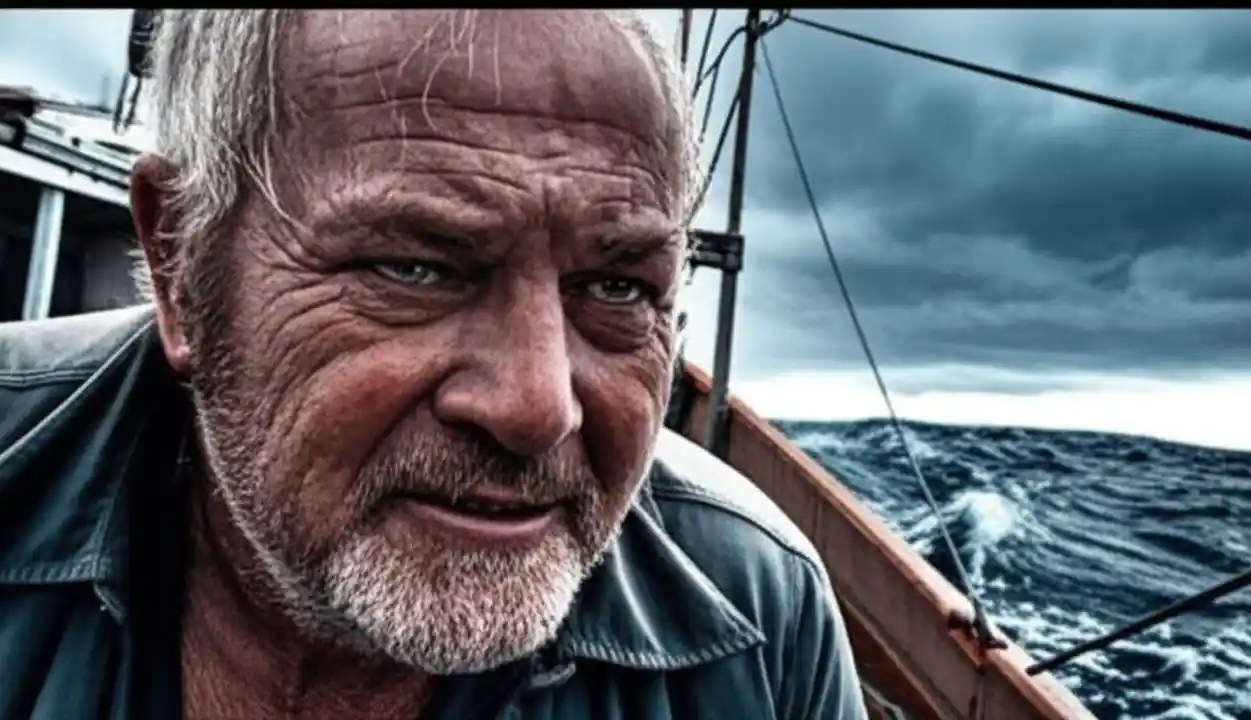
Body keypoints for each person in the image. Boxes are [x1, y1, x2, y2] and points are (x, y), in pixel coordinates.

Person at [0, 10, 867, 719]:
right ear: (182, 264)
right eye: (414, 268)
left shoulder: (760, 622)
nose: (537, 406)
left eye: (616, 286)